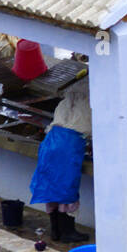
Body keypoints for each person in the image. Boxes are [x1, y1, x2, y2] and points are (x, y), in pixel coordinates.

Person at [29, 79, 91, 243]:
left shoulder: (66, 102)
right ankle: (67, 232)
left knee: (52, 186)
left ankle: (55, 231)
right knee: (66, 189)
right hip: (68, 146)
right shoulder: (89, 103)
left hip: (51, 141)